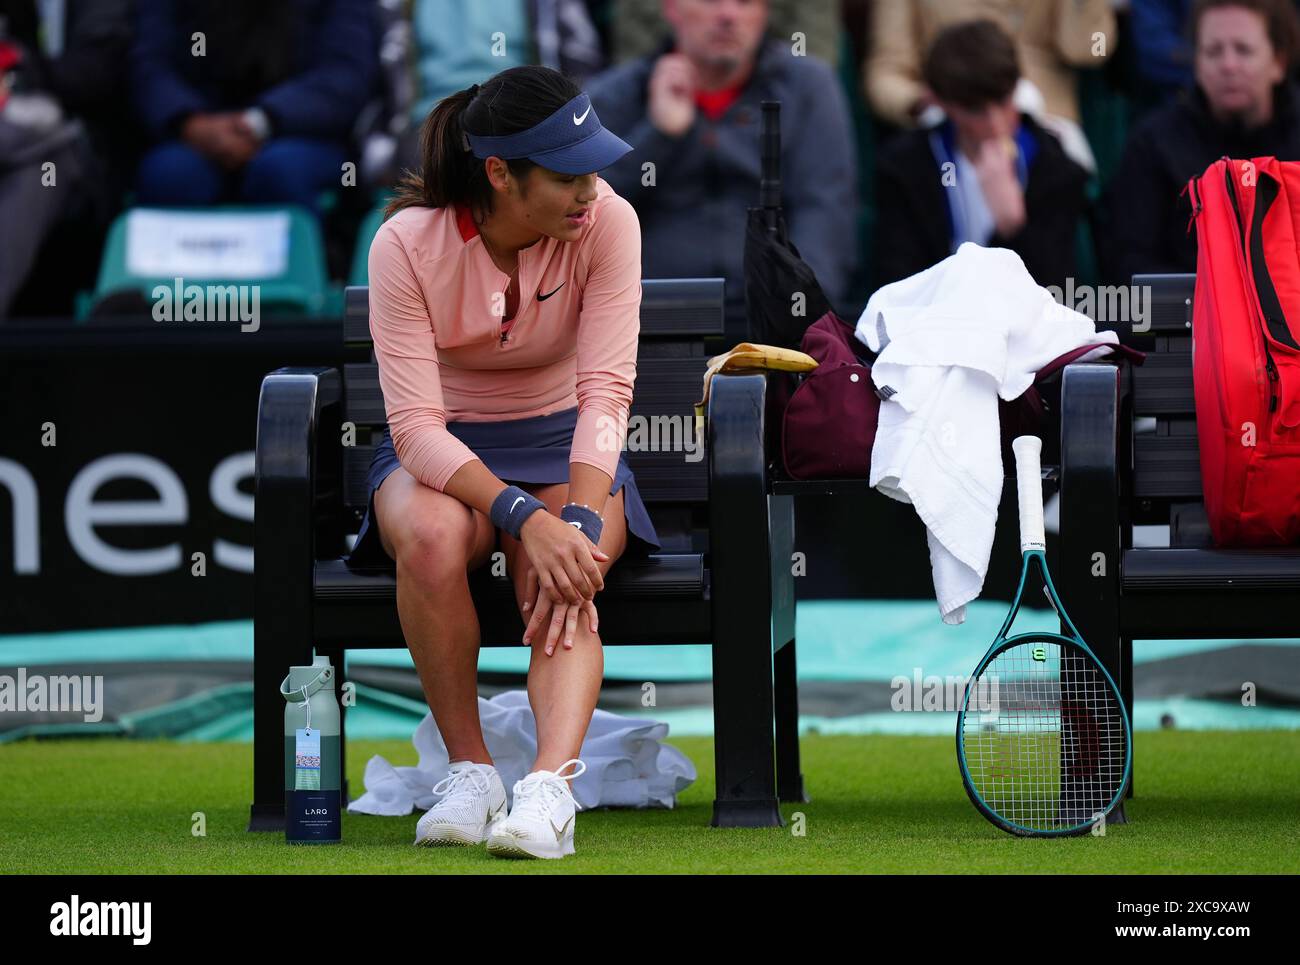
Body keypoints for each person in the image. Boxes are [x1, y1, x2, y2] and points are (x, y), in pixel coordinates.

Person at [349, 65, 660, 860]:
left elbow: (605, 389)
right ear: (499, 173)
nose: (590, 191)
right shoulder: (403, 246)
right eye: (566, 175)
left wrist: (578, 522)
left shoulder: (610, 223)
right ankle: (472, 772)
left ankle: (550, 789)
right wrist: (522, 514)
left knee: (566, 562)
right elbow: (416, 427)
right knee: (426, 536)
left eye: (594, 168)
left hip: (567, 448)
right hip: (444, 451)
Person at [586, 0, 857, 343]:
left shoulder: (807, 87)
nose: (729, 15)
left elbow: (825, 210)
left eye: (745, 2)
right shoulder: (619, 93)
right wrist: (659, 135)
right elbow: (586, 210)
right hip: (648, 322)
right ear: (671, 8)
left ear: (764, 12)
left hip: (776, 321)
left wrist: (800, 308)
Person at [870, 19, 1088, 292]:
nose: (996, 122)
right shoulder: (905, 168)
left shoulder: (1053, 166)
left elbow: (1059, 294)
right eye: (975, 110)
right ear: (940, 102)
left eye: (1003, 101)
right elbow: (896, 283)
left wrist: (1012, 226)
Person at [1102, 0, 1300, 286]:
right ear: (1196, 63)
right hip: (1190, 322)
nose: (1228, 65)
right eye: (1213, 51)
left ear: (1279, 63)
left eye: (1243, 50)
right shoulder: (1153, 144)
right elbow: (1128, 264)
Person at [129, 0, 377, 212]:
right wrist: (190, 123)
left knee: (279, 171)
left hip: (305, 135)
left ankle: (317, 264)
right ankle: (174, 271)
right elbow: (150, 65)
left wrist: (261, 120)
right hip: (196, 135)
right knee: (170, 175)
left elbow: (345, 76)